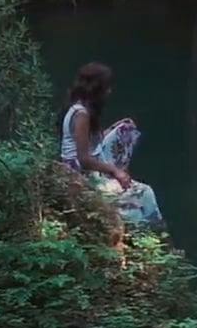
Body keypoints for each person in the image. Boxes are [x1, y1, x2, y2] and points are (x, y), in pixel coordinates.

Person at [59, 61, 163, 229]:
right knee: (145, 192)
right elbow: (84, 159)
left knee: (126, 128)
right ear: (96, 89)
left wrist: (113, 129)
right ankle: (153, 233)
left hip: (87, 163)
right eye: (106, 88)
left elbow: (90, 141)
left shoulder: (79, 107)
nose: (109, 92)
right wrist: (115, 171)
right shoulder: (82, 114)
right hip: (82, 173)